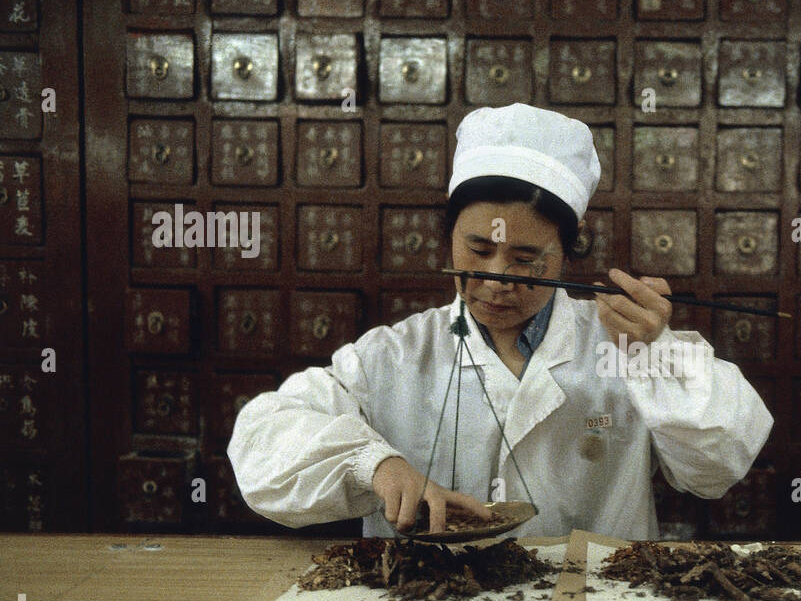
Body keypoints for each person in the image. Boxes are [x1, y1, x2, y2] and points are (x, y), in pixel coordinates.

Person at [229, 103, 773, 539]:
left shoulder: (624, 344)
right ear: (449, 238)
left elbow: (716, 469)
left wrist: (656, 351)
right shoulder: (395, 354)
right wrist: (374, 464)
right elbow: (261, 441)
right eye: (478, 249)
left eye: (525, 258)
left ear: (567, 252)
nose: (496, 279)